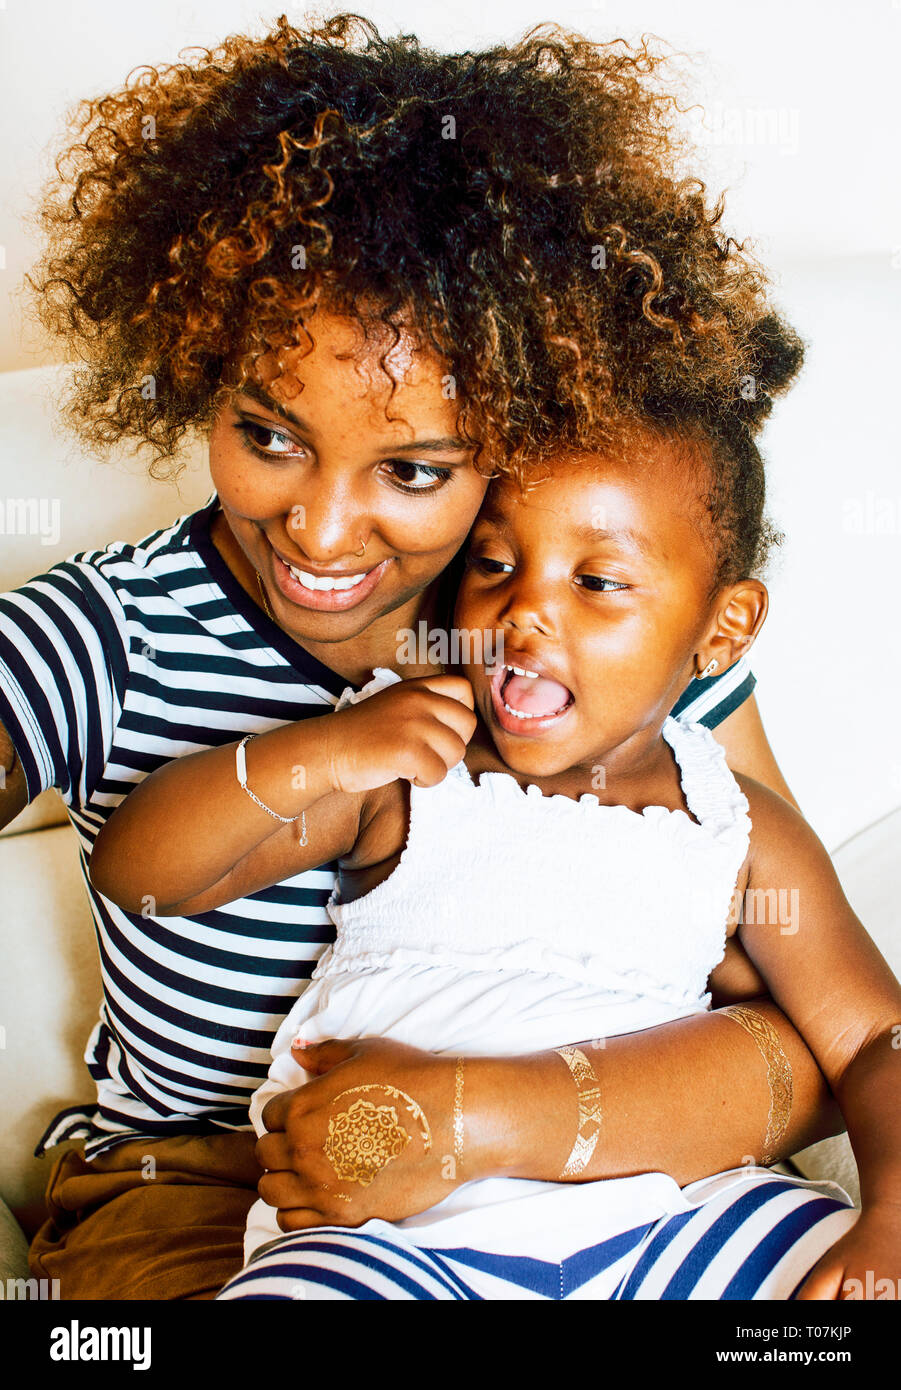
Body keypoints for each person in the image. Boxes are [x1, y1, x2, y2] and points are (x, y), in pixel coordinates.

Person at [3, 15, 840, 1299]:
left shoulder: (602, 650)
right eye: (266, 434)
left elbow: (800, 1027)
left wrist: (479, 1120)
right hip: (210, 1182)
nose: (322, 531)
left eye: (412, 469)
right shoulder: (109, 634)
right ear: (201, 376)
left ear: (511, 430)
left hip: (592, 1175)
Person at [91, 422, 901, 1301]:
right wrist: (323, 754)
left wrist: (891, 1221)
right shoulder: (411, 764)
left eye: (596, 581)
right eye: (493, 565)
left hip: (675, 1218)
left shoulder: (741, 827)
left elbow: (867, 1038)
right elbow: (141, 873)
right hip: (396, 1242)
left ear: (723, 625)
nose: (523, 611)